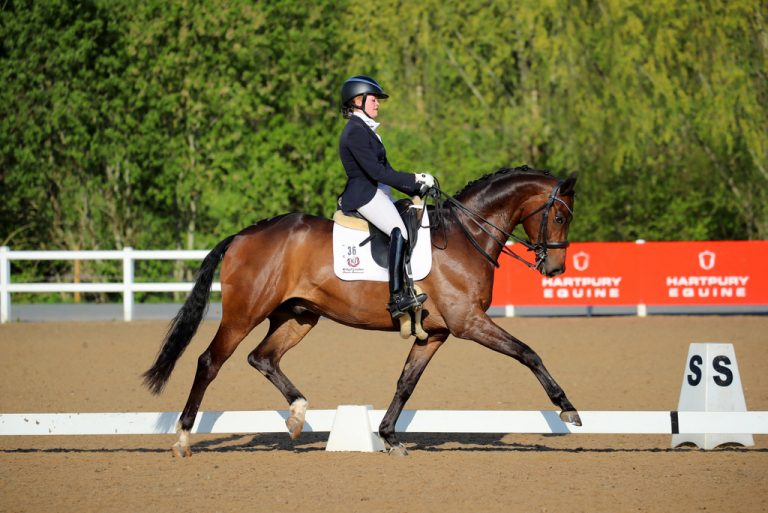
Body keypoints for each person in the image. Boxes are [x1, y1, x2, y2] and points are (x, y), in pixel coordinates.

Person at [337, 75, 435, 319]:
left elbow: (388, 173)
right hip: (364, 194)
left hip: (378, 191)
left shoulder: (366, 130)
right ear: (357, 101)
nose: (377, 104)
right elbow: (376, 172)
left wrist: (416, 188)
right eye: (373, 99)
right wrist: (414, 178)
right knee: (398, 231)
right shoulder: (355, 132)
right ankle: (397, 297)